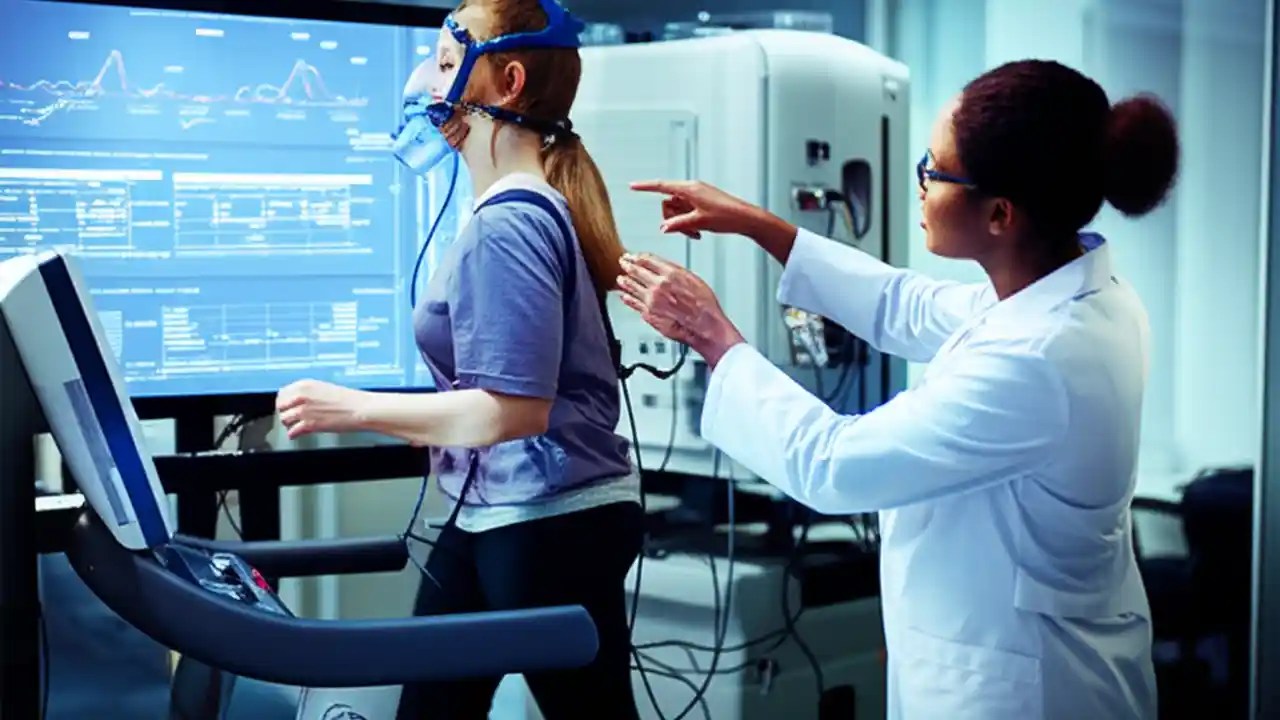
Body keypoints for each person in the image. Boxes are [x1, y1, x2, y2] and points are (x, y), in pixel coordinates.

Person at [617, 59, 1180, 720]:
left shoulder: (1038, 357)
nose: (919, 183)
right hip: (1041, 662)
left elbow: (833, 464)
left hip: (1023, 688)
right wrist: (756, 223)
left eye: (933, 170)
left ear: (999, 213)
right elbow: (902, 305)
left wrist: (713, 336)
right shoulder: (1082, 297)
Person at [274, 1, 643, 718]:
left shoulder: (511, 221)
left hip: (549, 520)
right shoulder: (510, 210)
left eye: (447, 65)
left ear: (506, 82)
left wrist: (348, 408)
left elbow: (515, 408)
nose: (425, 84)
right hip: (496, 510)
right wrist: (427, 422)